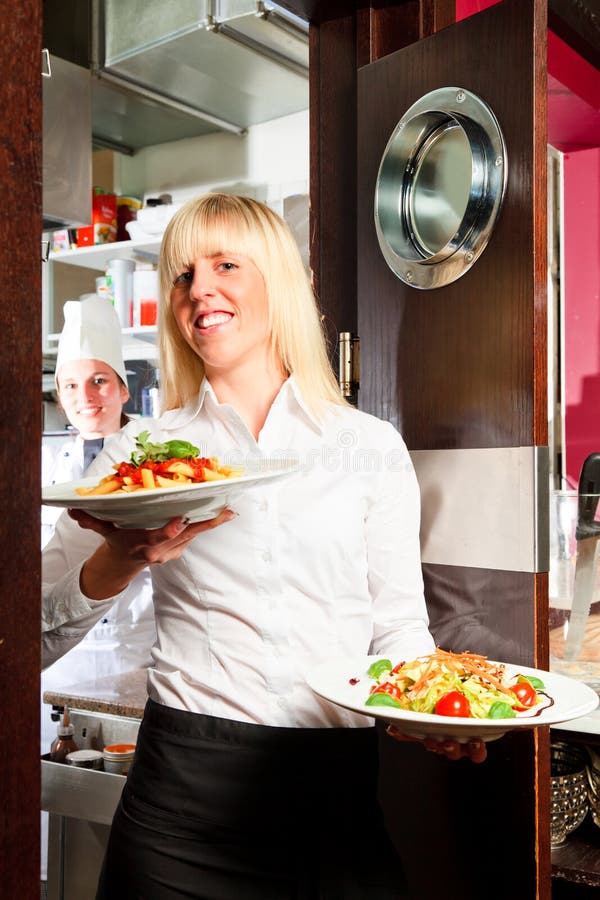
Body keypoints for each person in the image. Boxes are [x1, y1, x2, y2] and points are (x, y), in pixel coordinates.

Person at [41, 193, 480, 900]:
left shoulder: (367, 447)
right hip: (181, 812)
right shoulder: (140, 456)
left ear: (279, 279)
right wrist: (117, 560)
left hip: (337, 806)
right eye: (182, 275)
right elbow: (29, 640)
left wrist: (433, 707)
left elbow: (398, 628)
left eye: (225, 265)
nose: (199, 290)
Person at [40, 296, 156, 887]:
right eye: (71, 385)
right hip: (59, 664)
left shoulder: (157, 456)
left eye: (99, 381)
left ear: (124, 389)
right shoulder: (43, 461)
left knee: (131, 830)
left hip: (136, 660)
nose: (86, 396)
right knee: (63, 831)